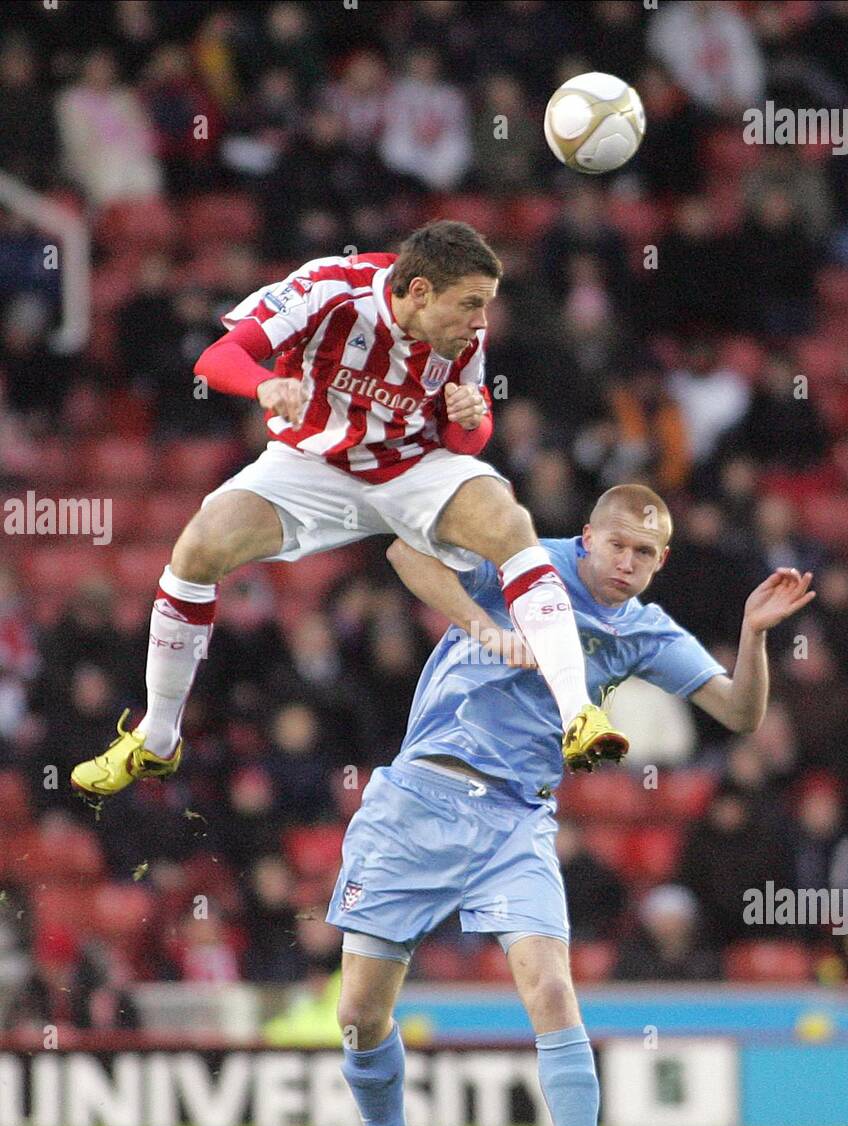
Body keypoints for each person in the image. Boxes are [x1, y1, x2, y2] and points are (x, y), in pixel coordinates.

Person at [327, 483, 814, 1126]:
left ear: (660, 563)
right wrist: (483, 627)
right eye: (617, 545)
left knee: (551, 988)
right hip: (419, 797)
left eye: (645, 554)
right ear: (585, 537)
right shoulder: (524, 563)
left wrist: (751, 635)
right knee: (358, 1015)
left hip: (516, 818)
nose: (627, 563)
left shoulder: (645, 632)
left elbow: (739, 714)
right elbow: (403, 553)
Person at [70, 221, 628, 798]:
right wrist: (262, 386)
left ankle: (578, 713)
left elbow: (470, 435)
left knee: (509, 523)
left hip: (411, 465)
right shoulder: (329, 290)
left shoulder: (460, 336)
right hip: (312, 464)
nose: (481, 321)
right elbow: (217, 357)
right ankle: (157, 739)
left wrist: (471, 418)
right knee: (197, 549)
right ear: (418, 293)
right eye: (469, 305)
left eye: (484, 306)